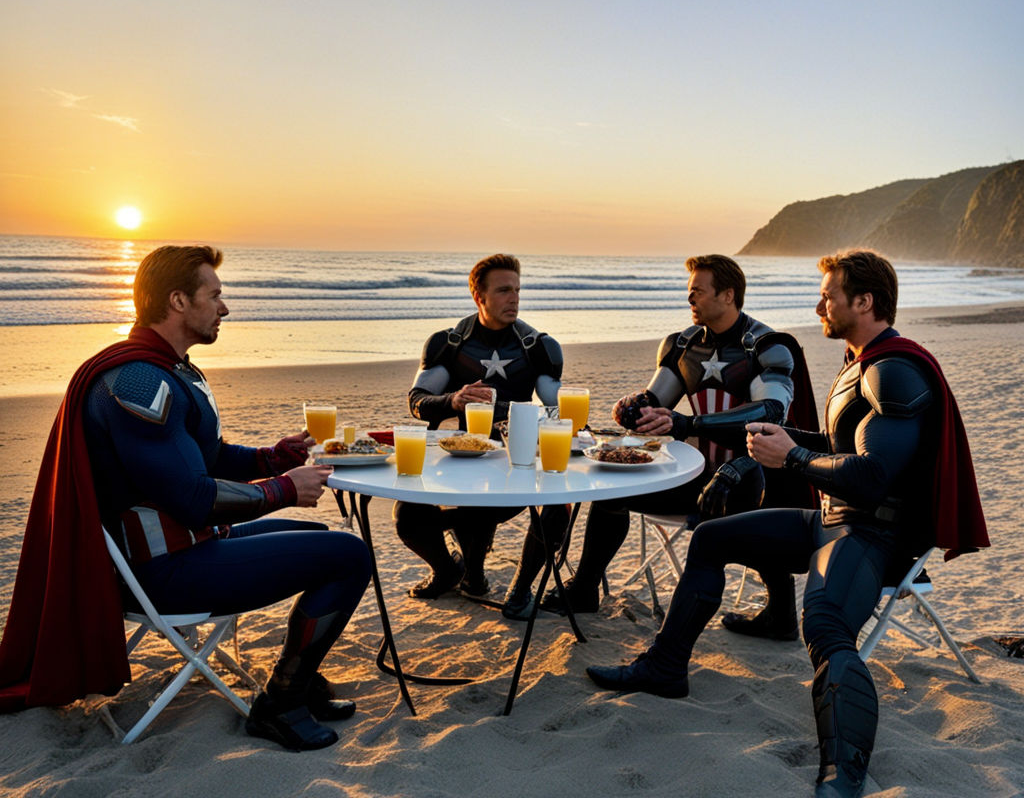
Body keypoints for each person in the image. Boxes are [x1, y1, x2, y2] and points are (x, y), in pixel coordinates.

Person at [585, 250, 989, 798]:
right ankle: (665, 668)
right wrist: (786, 440)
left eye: (828, 296)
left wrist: (793, 459)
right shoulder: (862, 362)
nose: (818, 307)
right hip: (830, 520)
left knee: (824, 627)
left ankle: (843, 775)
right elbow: (842, 445)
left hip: (875, 536)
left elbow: (872, 477)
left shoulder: (892, 370)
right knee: (710, 538)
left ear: (863, 302)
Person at [0, 245, 372, 752]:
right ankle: (281, 703)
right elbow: (195, 499)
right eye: (214, 295)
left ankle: (299, 681)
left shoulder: (165, 369)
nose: (225, 307)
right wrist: (285, 488)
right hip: (160, 572)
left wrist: (272, 458)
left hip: (186, 545)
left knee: (318, 535)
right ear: (178, 301)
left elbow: (206, 457)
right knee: (348, 555)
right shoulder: (137, 382)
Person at [542, 254, 817, 637]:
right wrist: (635, 409)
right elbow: (658, 403)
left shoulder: (767, 347)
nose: (690, 299)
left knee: (753, 500)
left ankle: (781, 613)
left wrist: (690, 424)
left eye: (697, 292)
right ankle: (585, 589)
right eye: (690, 291)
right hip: (692, 476)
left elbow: (771, 413)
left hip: (752, 479)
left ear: (728, 295)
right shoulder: (681, 345)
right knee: (611, 491)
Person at [398, 253, 569, 620]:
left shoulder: (537, 347)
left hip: (514, 464)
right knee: (407, 516)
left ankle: (520, 589)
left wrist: (503, 409)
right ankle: (450, 571)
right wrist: (453, 400)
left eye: (517, 290)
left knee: (559, 507)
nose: (514, 299)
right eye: (504, 290)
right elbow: (417, 402)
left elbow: (560, 413)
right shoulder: (449, 344)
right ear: (479, 296)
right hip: (457, 462)